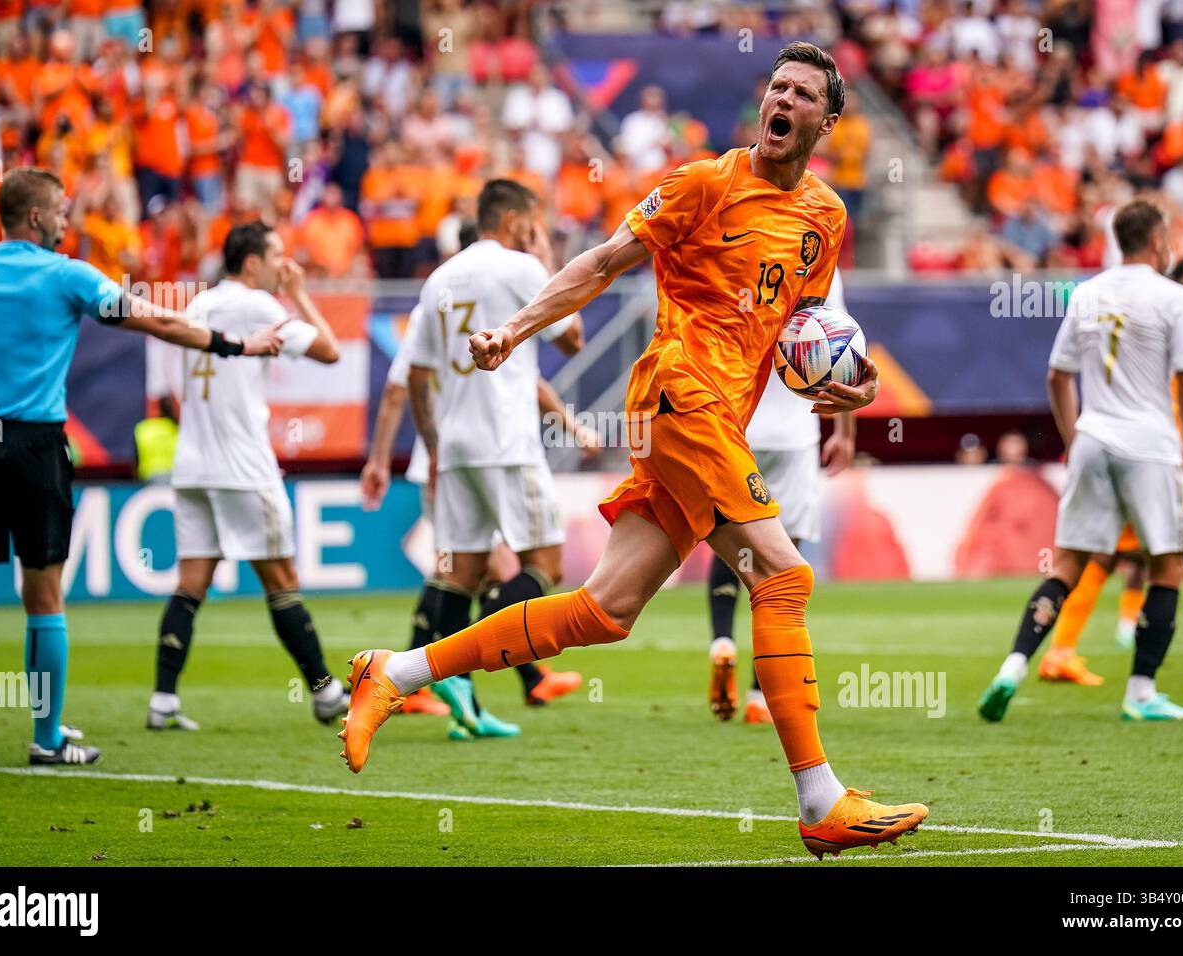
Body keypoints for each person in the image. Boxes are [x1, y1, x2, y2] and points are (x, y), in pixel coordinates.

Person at [339, 44, 929, 860]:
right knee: (783, 574)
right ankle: (820, 798)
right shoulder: (702, 184)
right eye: (776, 86)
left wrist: (853, 386)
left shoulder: (825, 218)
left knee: (604, 611)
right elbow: (602, 260)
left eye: (801, 93)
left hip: (723, 414)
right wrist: (515, 330)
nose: (782, 99)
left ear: (828, 121)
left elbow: (808, 327)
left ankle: (393, 673)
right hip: (676, 394)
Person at [0, 168, 280, 764]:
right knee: (44, 597)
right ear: (35, 218)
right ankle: (47, 740)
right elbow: (157, 319)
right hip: (33, 445)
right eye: (62, 212)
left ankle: (50, 735)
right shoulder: (67, 275)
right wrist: (234, 345)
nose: (68, 221)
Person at [367, 180, 586, 740]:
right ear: (514, 220)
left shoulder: (440, 278)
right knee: (546, 565)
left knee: (460, 574)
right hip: (506, 442)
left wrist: (434, 443)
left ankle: (434, 682)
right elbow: (573, 338)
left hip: (456, 444)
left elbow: (415, 375)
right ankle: (464, 668)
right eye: (531, 222)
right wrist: (545, 258)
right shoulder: (518, 267)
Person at [978, 200, 1183, 723]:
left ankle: (1013, 666)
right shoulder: (1175, 297)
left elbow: (1057, 376)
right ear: (1156, 241)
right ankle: (1141, 692)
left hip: (1093, 440)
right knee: (1168, 566)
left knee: (1066, 569)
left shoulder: (1087, 292)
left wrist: (1074, 437)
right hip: (1149, 444)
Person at [146, 222, 349, 731]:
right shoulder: (259, 306)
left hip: (193, 464)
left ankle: (163, 700)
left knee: (191, 583)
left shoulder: (195, 306)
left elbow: (171, 392)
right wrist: (300, 293)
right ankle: (326, 693)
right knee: (282, 582)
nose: (286, 265)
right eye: (278, 255)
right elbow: (330, 350)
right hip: (242, 467)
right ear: (252, 262)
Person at [1038, 256, 1183, 683]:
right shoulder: (1169, 323)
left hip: (1133, 452)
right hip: (1155, 458)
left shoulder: (1168, 322)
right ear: (1174, 281)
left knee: (1106, 554)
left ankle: (1059, 651)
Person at [705, 268, 855, 724]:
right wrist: (845, 432)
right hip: (793, 431)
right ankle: (757, 694)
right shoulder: (822, 265)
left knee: (731, 537)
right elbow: (845, 351)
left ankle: (721, 640)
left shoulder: (738, 255)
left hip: (739, 424)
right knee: (784, 559)